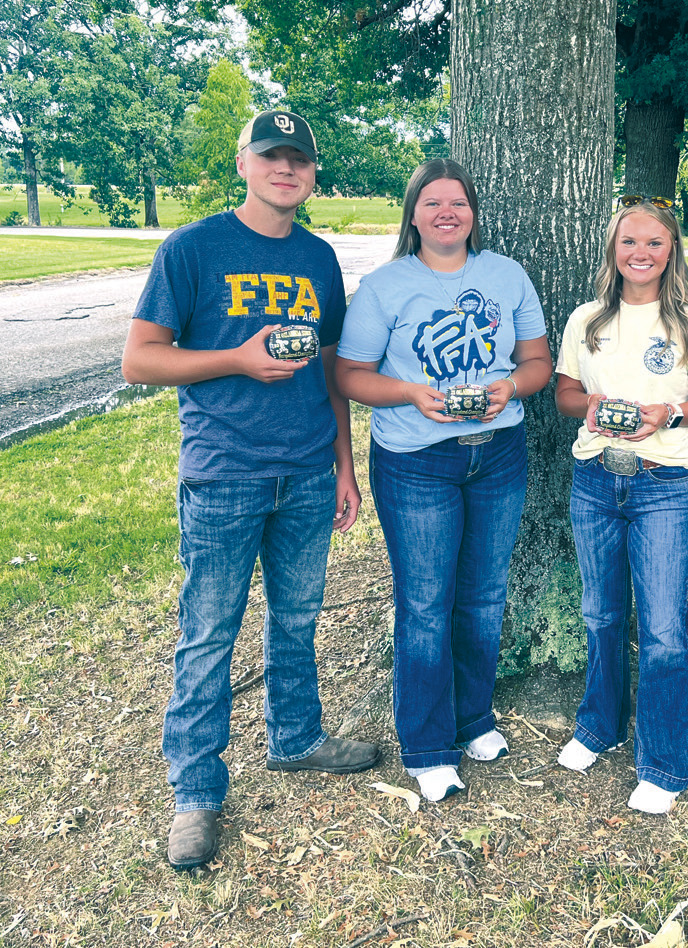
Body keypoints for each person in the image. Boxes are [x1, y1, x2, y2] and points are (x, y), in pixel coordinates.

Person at [122, 109, 381, 871]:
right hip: (224, 472)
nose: (286, 169)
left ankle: (296, 738)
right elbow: (140, 360)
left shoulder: (319, 258)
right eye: (272, 156)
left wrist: (343, 463)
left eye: (298, 159)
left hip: (305, 470)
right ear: (244, 164)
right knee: (208, 634)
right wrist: (235, 359)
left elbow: (332, 370)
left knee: (296, 620)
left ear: (311, 174)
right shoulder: (193, 248)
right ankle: (196, 791)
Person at [335, 158, 553, 803]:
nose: (446, 212)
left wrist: (508, 385)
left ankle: (473, 717)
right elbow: (348, 374)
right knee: (426, 604)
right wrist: (412, 394)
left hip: (499, 452)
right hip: (416, 460)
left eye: (458, 202)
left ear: (474, 213)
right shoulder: (385, 286)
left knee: (484, 596)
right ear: (413, 215)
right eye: (432, 203)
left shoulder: (505, 275)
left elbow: (538, 361)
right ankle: (428, 746)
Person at [554, 195, 688, 814]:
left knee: (661, 630)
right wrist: (591, 408)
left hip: (664, 485)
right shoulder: (588, 319)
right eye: (630, 242)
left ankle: (664, 758)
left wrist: (668, 412)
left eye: (654, 243)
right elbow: (566, 392)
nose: (641, 253)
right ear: (613, 249)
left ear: (671, 250)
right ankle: (601, 725)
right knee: (601, 614)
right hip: (596, 480)